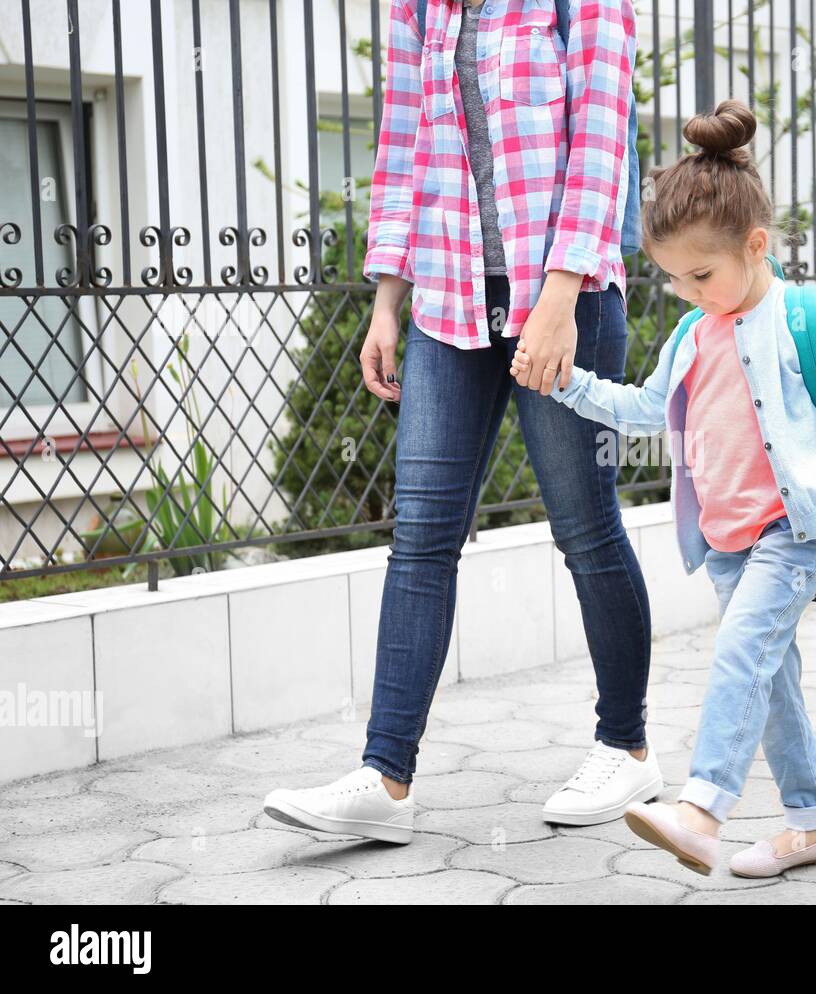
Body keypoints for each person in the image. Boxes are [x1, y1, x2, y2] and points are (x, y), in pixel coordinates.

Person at [263, 0, 660, 844]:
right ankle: (385, 778)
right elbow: (403, 150)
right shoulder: (420, 10)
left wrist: (557, 298)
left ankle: (626, 745)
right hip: (448, 305)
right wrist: (386, 301)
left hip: (566, 301)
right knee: (421, 536)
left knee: (586, 530)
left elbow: (601, 143)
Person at [512, 99, 816, 877]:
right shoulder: (693, 333)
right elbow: (641, 411)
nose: (691, 291)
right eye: (674, 280)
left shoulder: (807, 318)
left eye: (702, 273)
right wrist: (568, 386)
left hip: (798, 530)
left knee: (739, 655)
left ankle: (702, 811)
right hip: (729, 543)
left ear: (755, 244)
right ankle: (811, 824)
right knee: (771, 686)